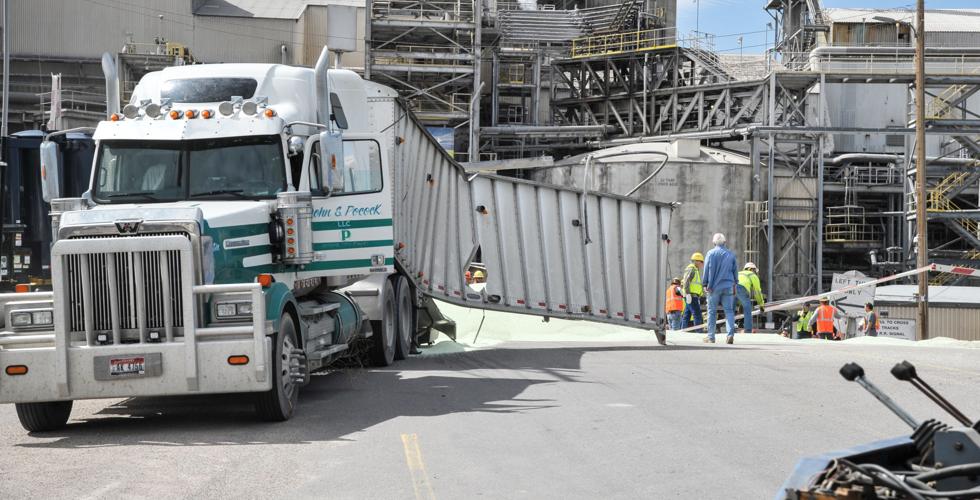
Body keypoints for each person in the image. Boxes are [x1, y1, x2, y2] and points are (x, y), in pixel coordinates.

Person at [702, 233, 738, 344]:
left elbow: (707, 270)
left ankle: (711, 337)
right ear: (725, 242)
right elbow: (735, 271)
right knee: (729, 311)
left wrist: (705, 283)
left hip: (714, 287)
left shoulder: (710, 253)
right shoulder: (731, 255)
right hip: (728, 286)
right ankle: (730, 334)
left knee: (712, 311)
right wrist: (735, 283)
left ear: (713, 243)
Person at [736, 262, 765, 333]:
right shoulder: (752, 275)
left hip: (730, 288)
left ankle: (731, 330)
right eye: (755, 270)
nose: (755, 272)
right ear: (752, 269)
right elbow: (757, 292)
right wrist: (761, 305)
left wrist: (739, 305)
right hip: (742, 289)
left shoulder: (738, 273)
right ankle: (748, 330)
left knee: (730, 310)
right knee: (747, 309)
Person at [680, 252, 705, 330]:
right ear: (696, 261)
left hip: (693, 296)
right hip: (691, 295)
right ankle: (699, 331)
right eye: (701, 262)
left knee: (687, 314)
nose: (702, 264)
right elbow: (686, 282)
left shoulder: (695, 270)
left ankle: (683, 330)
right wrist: (688, 294)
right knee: (697, 314)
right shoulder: (692, 269)